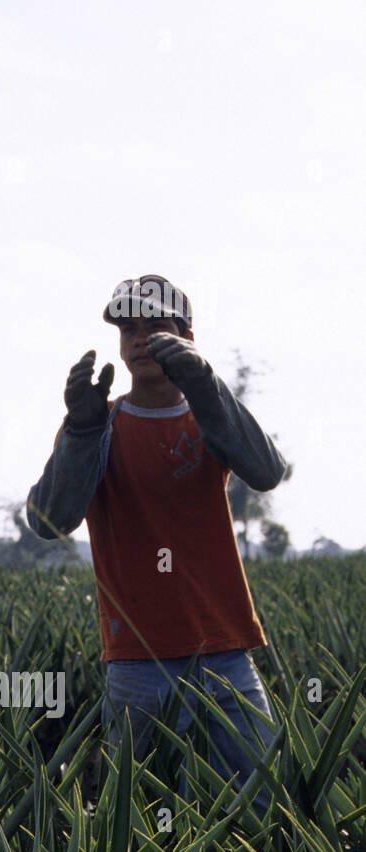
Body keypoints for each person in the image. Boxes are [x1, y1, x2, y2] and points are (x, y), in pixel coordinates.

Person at [25, 274, 287, 818]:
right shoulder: (100, 422)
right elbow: (50, 521)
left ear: (187, 333)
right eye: (129, 329)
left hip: (225, 653)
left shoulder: (209, 417)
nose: (139, 340)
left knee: (264, 810)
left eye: (156, 327)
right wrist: (79, 428)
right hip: (137, 665)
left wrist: (204, 381)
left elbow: (266, 472)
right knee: (137, 820)